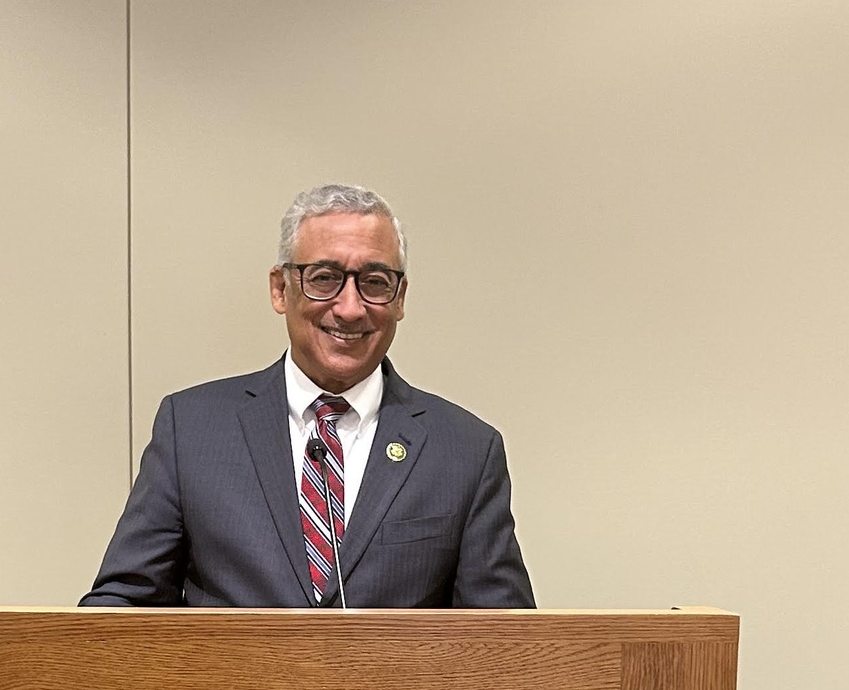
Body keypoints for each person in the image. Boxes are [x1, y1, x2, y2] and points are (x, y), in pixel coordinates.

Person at [81, 183, 534, 608]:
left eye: (374, 282)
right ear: (281, 289)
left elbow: (508, 646)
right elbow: (124, 608)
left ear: (400, 298)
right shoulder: (193, 429)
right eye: (324, 278)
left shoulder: (465, 451)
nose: (350, 307)